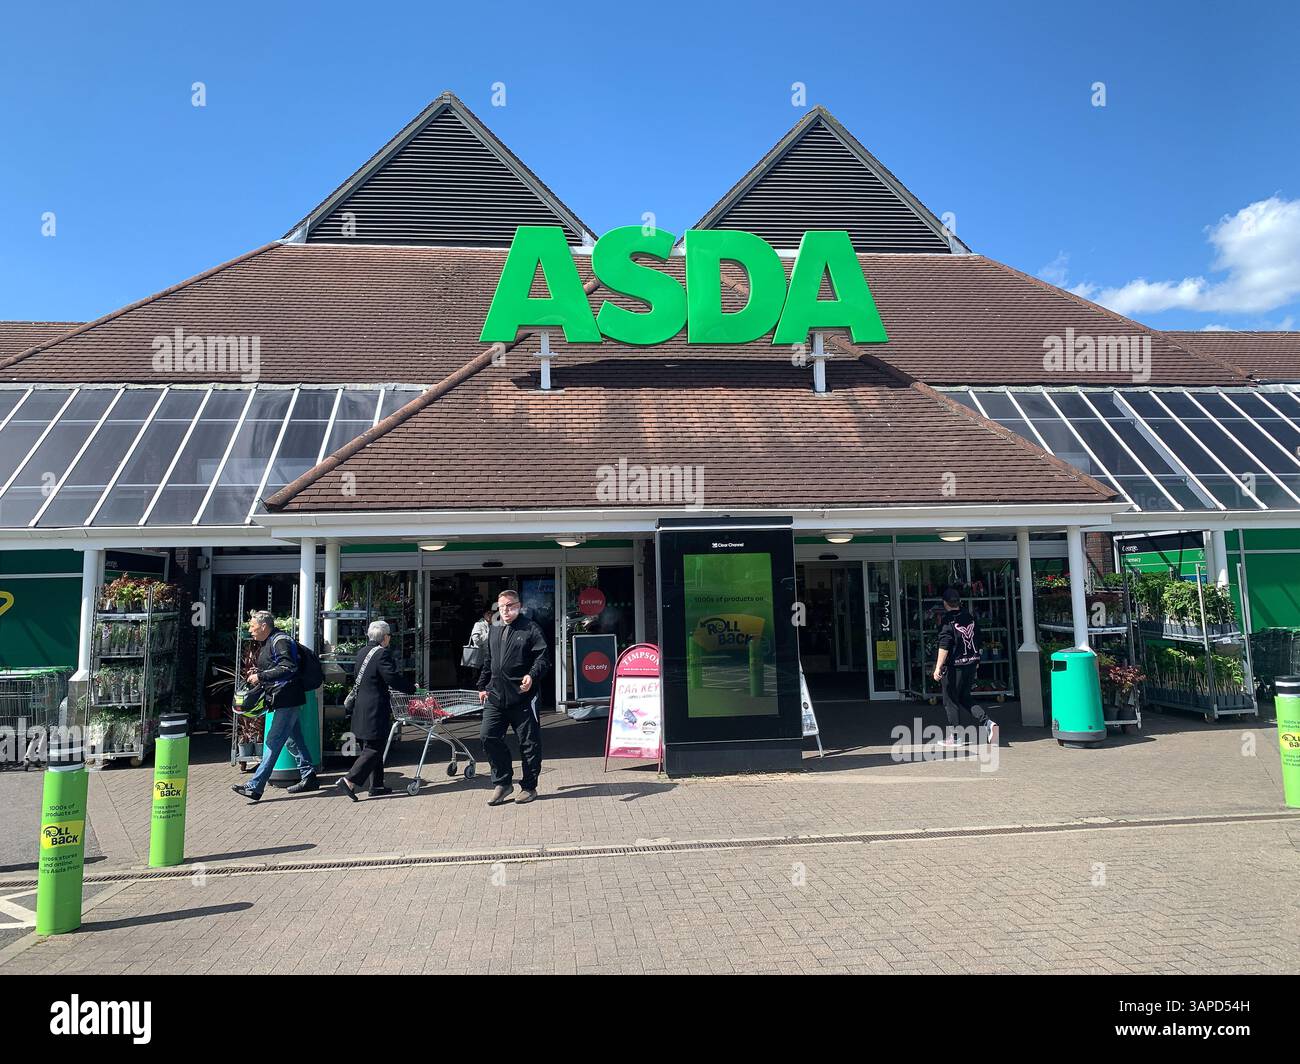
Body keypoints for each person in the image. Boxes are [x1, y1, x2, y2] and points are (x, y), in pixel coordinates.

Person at [231, 611, 317, 801]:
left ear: (263, 626)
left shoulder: (280, 641)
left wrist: (260, 676)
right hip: (283, 698)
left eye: (252, 626)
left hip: (287, 698)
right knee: (293, 740)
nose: (250, 630)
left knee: (273, 740)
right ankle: (308, 775)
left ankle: (255, 786)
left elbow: (288, 668)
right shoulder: (271, 641)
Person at [476, 589, 550, 806]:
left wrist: (531, 675)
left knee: (528, 743)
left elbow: (543, 658)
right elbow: (489, 660)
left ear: (519, 605)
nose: (505, 611)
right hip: (496, 695)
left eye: (510, 606)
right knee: (487, 736)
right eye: (501, 607)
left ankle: (529, 787)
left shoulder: (531, 628)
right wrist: (482, 685)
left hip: (523, 697)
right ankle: (503, 782)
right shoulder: (495, 628)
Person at [336, 619, 414, 800]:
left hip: (362, 707)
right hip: (375, 708)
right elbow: (391, 678)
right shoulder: (381, 654)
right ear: (385, 637)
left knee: (370, 746)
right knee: (375, 749)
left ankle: (377, 785)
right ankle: (349, 780)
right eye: (389, 636)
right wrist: (412, 688)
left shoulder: (362, 652)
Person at [932, 586, 998, 748]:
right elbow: (979, 639)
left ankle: (954, 737)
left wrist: (938, 667)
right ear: (959, 602)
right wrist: (977, 660)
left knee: (951, 701)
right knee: (964, 697)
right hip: (971, 663)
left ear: (945, 603)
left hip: (955, 667)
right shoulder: (969, 617)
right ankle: (987, 722)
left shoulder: (947, 621)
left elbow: (944, 644)